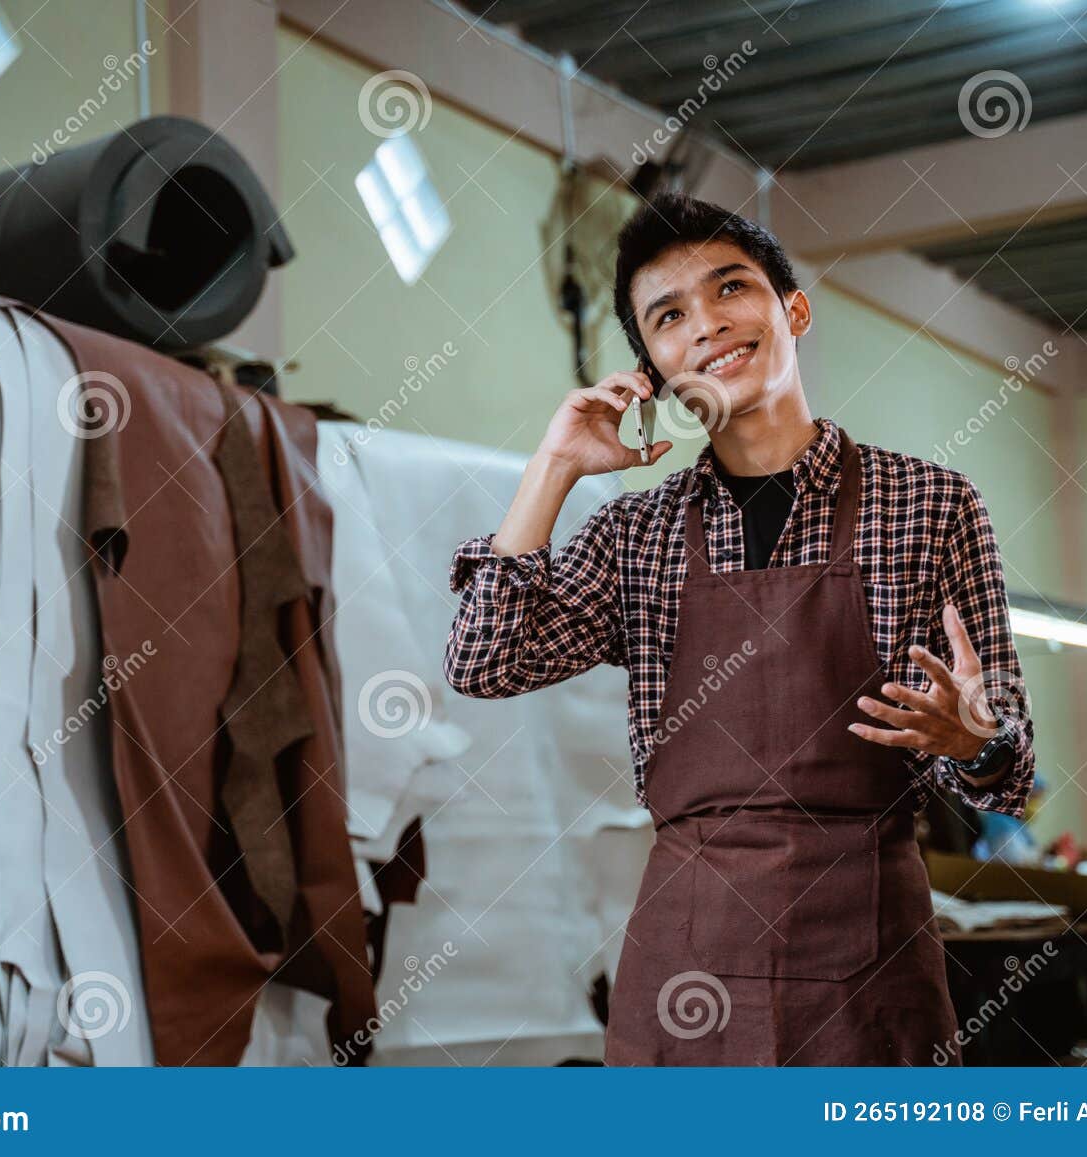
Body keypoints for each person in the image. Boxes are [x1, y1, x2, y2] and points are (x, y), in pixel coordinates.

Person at [443, 192, 1036, 1066]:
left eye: (731, 288)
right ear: (652, 367)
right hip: (685, 966)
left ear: (793, 310)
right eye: (670, 315)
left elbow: (1006, 772)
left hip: (871, 967)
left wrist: (974, 740)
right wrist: (557, 464)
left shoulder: (930, 505)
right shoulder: (636, 535)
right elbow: (483, 661)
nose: (708, 324)